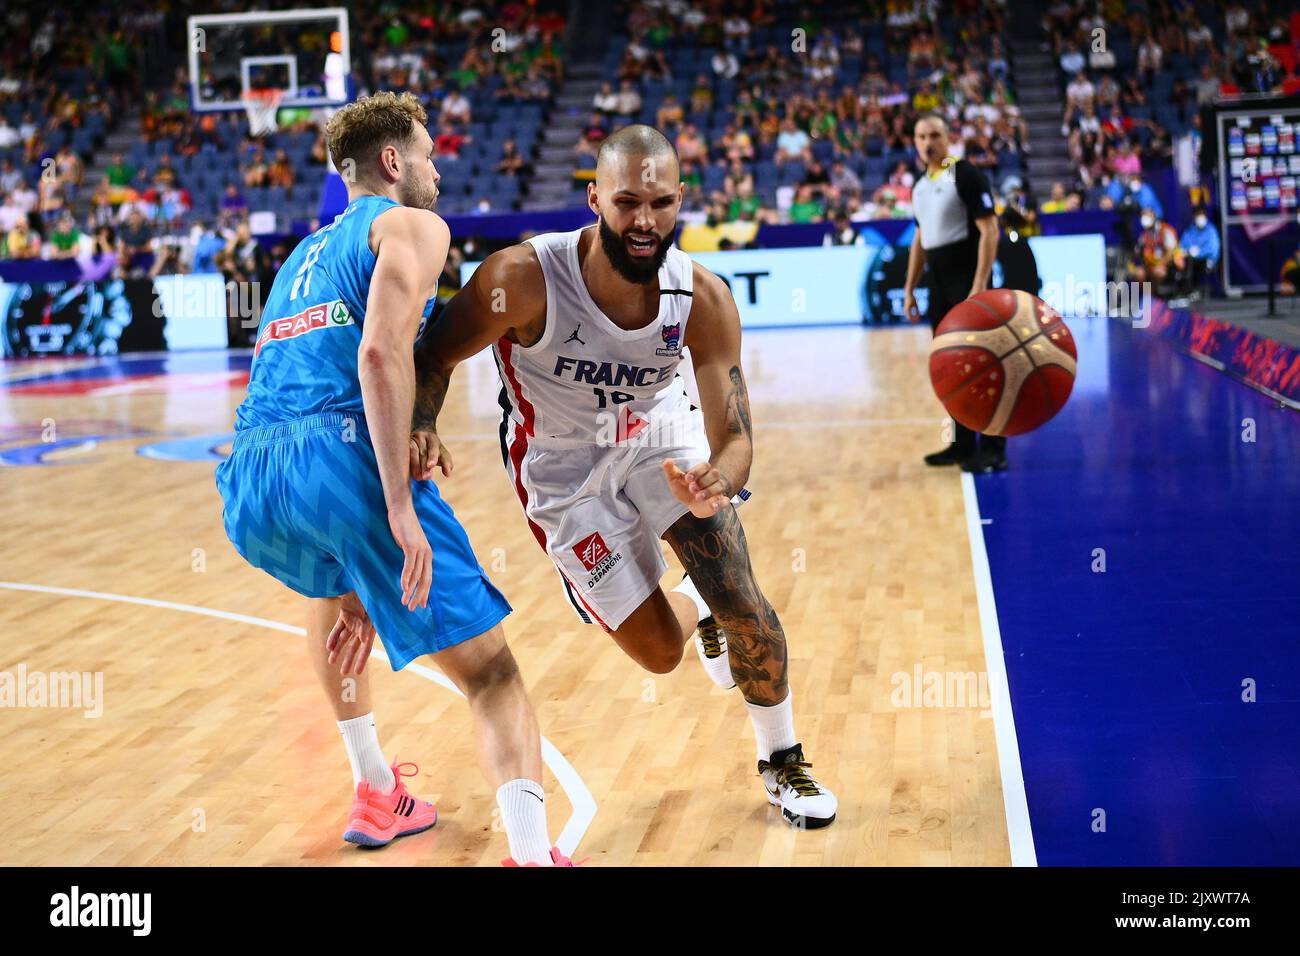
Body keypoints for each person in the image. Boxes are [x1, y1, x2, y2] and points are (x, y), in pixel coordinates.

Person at [407, 125, 838, 830]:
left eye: (661, 203)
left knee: (743, 598)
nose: (645, 220)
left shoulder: (702, 296)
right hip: (561, 472)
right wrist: (422, 424)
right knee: (662, 654)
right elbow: (435, 354)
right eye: (628, 201)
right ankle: (689, 608)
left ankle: (783, 760)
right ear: (595, 198)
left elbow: (736, 437)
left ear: (679, 204)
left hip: (658, 441)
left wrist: (719, 481)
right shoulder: (520, 279)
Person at [213, 91, 572, 867]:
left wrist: (359, 555)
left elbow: (285, 373)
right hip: (340, 456)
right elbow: (379, 355)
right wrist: (396, 507)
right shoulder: (413, 224)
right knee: (493, 674)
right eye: (430, 154)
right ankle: (532, 856)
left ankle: (376, 789)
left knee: (330, 595)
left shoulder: (298, 260)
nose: (439, 173)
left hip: (253, 478)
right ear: (391, 162)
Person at [903, 113, 1004, 474]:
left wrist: (979, 284)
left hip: (967, 276)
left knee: (983, 364)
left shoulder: (966, 175)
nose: (927, 142)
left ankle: (994, 449)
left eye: (934, 135)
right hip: (939, 281)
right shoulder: (918, 186)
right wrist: (910, 288)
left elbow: (990, 230)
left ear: (948, 138)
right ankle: (962, 444)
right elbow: (920, 238)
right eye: (920, 136)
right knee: (950, 366)